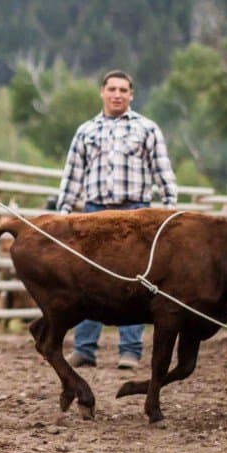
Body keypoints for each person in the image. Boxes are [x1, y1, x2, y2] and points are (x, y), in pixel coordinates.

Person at [54, 69, 177, 369]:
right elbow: (73, 174)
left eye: (123, 90)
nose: (117, 94)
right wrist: (64, 211)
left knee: (135, 280)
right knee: (88, 279)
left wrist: (169, 205)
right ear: (102, 92)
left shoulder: (146, 129)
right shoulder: (86, 131)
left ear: (131, 95)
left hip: (135, 211)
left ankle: (130, 350)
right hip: (95, 211)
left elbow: (162, 170)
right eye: (112, 89)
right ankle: (84, 348)